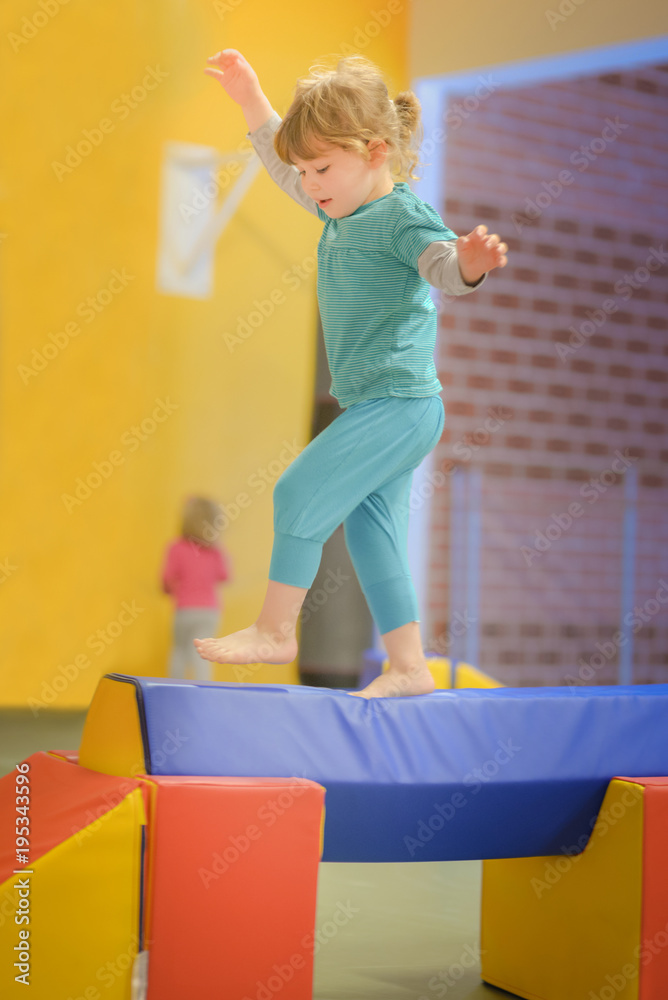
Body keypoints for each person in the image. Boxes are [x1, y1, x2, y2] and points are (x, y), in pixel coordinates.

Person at [194, 49, 507, 698]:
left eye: (322, 168)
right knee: (374, 533)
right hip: (384, 406)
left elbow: (441, 266)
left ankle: (276, 630)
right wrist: (251, 95)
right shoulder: (338, 211)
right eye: (306, 170)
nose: (308, 183)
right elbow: (281, 164)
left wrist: (469, 265)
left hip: (397, 404)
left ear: (373, 152)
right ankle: (410, 667)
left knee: (296, 492)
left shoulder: (399, 217)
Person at [162, 496, 231, 681]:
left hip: (185, 611)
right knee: (203, 655)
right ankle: (203, 691)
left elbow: (167, 580)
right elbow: (225, 576)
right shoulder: (215, 551)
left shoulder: (176, 548)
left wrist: (167, 589)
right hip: (210, 612)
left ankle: (174, 689)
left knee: (180, 651)